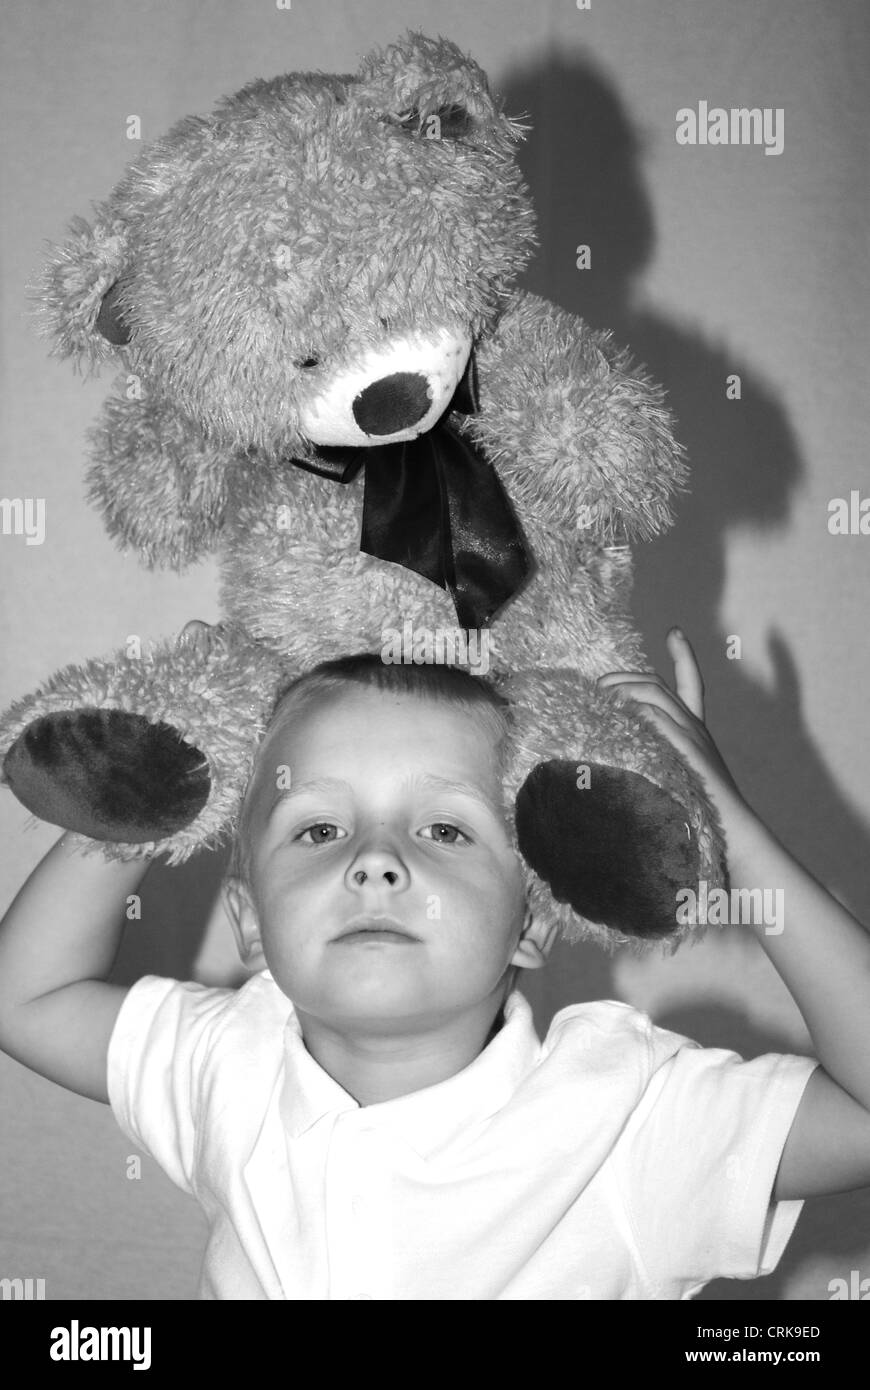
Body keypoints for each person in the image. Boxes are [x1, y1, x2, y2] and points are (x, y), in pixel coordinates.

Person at [0, 629, 868, 1300]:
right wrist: (154, 778)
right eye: (318, 829)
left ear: (530, 921)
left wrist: (728, 833)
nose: (375, 862)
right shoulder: (224, 1061)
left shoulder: (629, 1115)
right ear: (251, 922)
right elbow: (24, 998)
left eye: (445, 830)